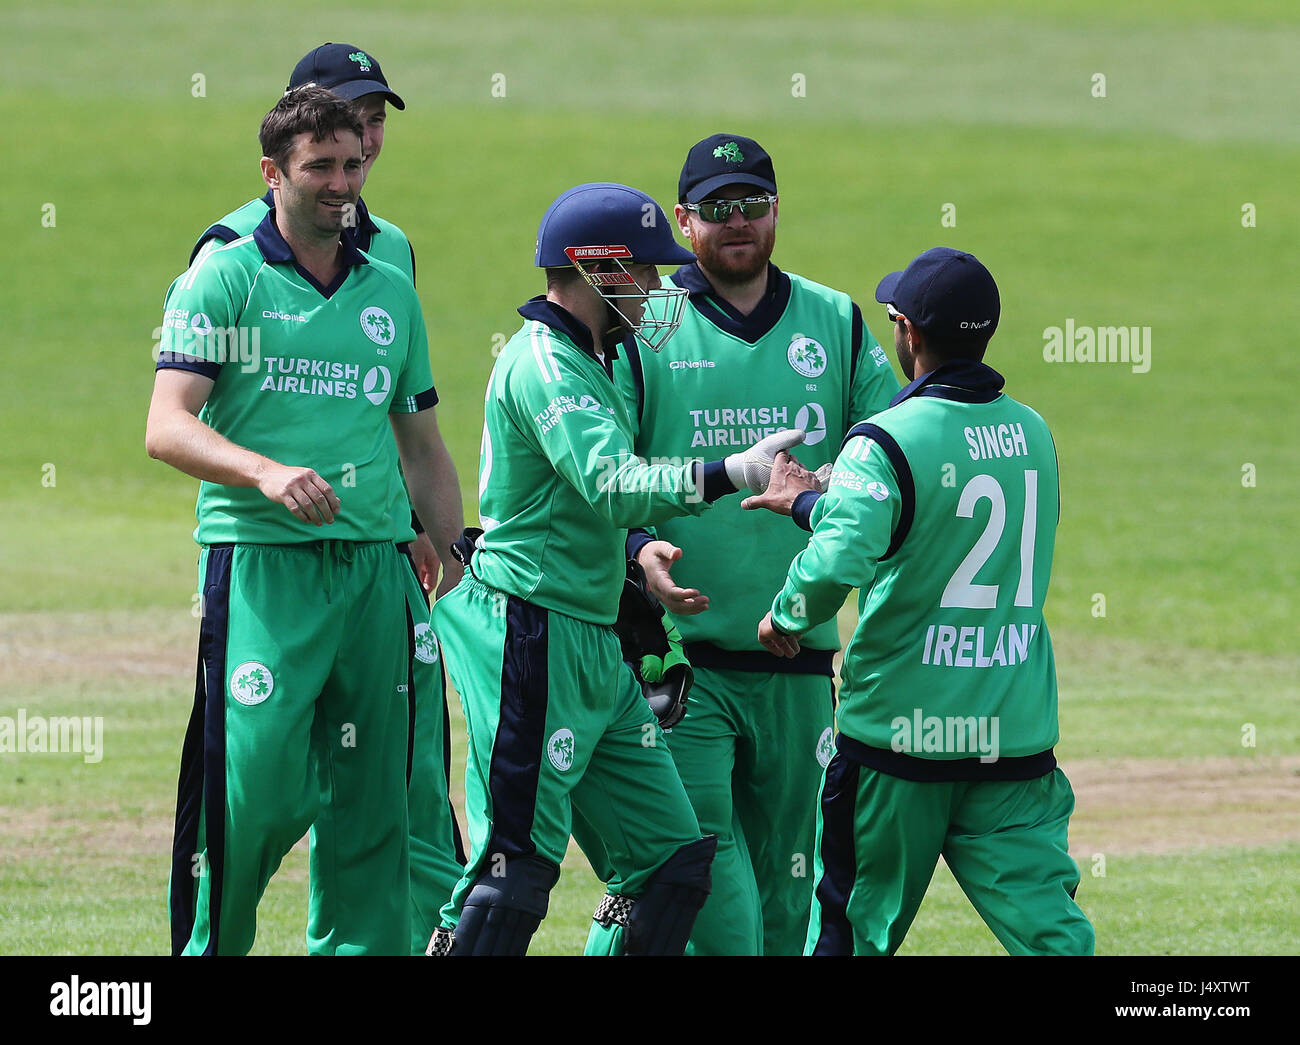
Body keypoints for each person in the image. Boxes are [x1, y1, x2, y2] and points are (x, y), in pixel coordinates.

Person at [426, 182, 804, 956]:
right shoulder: (545, 366)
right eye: (649, 274)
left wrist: (638, 554)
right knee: (513, 869)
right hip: (528, 632)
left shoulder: (598, 357)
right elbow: (609, 483)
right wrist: (735, 468)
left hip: (592, 639)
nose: (662, 290)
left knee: (672, 861)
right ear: (599, 269)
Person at [149, 87, 461, 955]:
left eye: (351, 164)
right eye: (318, 166)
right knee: (254, 790)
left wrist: (451, 546)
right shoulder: (226, 274)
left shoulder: (388, 291)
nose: (340, 182)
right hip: (261, 563)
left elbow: (423, 444)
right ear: (272, 173)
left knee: (377, 796)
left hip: (372, 571)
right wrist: (265, 472)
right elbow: (165, 424)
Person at [746, 247, 1096, 956]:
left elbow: (847, 554)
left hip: (900, 740)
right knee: (1053, 936)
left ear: (907, 331)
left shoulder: (885, 438)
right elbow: (938, 521)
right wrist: (820, 500)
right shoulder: (1034, 432)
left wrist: (786, 613)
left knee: (854, 931)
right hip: (1011, 734)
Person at [609, 133, 900, 955]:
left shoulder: (834, 321)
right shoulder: (645, 322)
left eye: (753, 206)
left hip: (797, 659)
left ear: (776, 211)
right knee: (688, 878)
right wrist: (637, 549)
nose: (737, 224)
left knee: (786, 888)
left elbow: (893, 453)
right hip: (682, 662)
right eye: (717, 210)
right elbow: (606, 473)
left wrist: (830, 483)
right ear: (682, 219)